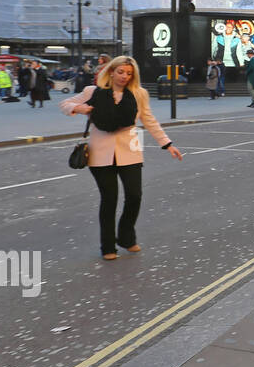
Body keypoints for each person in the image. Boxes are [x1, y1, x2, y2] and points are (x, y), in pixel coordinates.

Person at [60, 55, 184, 260]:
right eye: (121, 72)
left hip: (130, 152)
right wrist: (79, 107)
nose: (125, 76)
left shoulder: (139, 94)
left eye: (129, 73)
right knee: (109, 199)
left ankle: (126, 237)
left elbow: (149, 120)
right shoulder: (93, 92)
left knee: (134, 196)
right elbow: (65, 103)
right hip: (100, 154)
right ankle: (108, 246)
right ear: (110, 71)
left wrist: (167, 143)